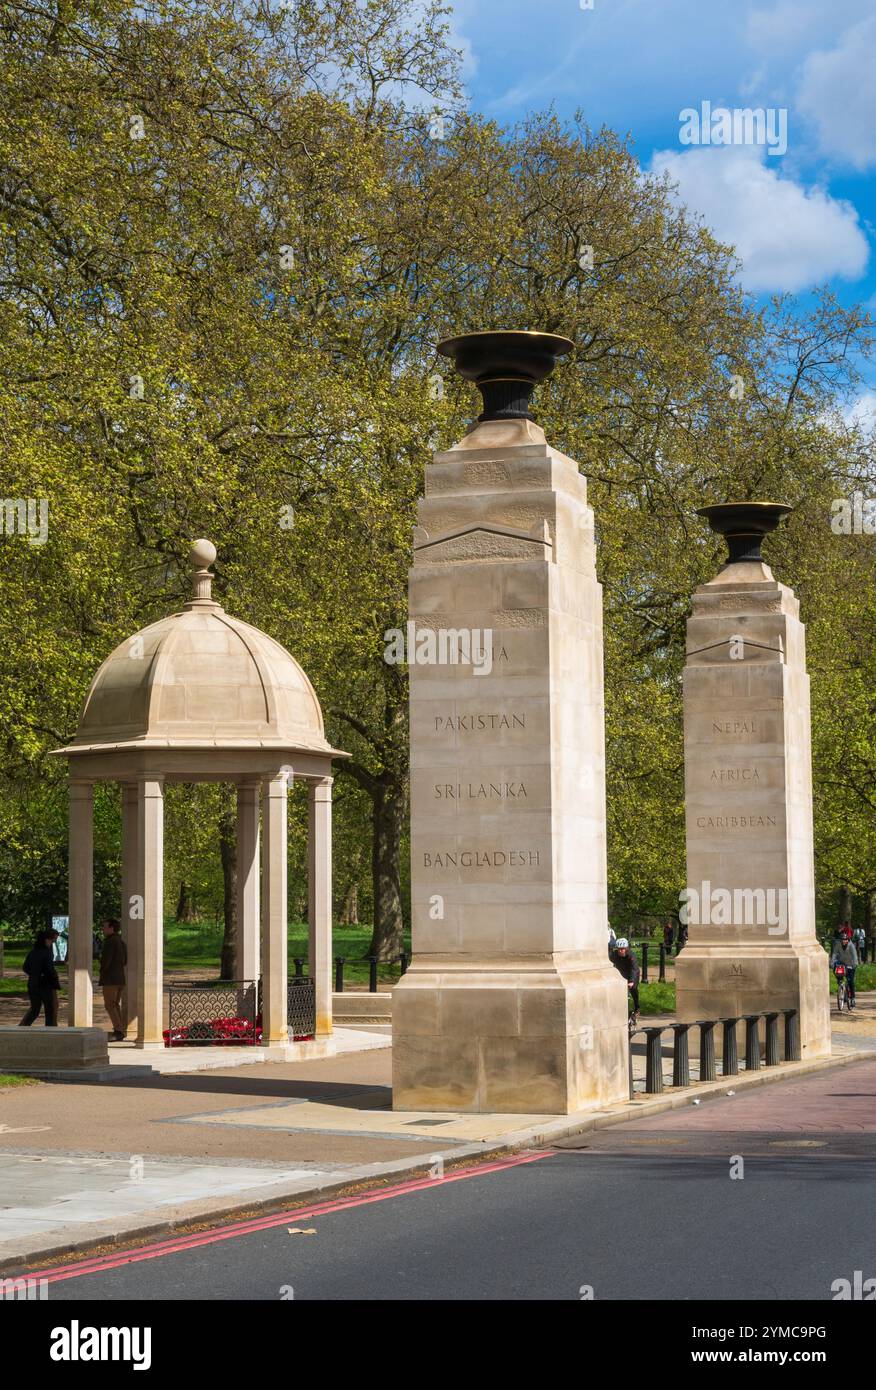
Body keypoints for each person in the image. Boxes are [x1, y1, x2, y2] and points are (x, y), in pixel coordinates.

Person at [18, 929, 61, 1027]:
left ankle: (23, 1027)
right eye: (53, 940)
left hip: (33, 984)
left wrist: (34, 974)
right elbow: (49, 969)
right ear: (47, 939)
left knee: (35, 1009)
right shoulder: (47, 952)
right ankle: (50, 1030)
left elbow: (25, 967)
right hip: (45, 985)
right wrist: (54, 979)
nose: (53, 943)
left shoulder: (33, 952)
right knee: (49, 1009)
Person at [99, 918, 127, 1041]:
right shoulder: (121, 941)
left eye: (105, 927)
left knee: (110, 1005)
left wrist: (102, 968)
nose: (103, 929)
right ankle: (121, 1029)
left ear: (112, 928)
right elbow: (125, 961)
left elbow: (106, 962)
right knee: (115, 1005)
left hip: (111, 980)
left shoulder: (110, 942)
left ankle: (118, 1031)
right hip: (120, 978)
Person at [610, 937, 640, 1023]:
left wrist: (631, 981)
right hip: (622, 974)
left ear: (626, 948)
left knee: (633, 989)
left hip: (632, 974)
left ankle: (637, 1008)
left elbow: (634, 969)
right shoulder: (614, 955)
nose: (620, 951)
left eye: (622, 949)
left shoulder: (631, 955)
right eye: (619, 949)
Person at [830, 924, 859, 1008]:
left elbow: (855, 956)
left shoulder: (851, 946)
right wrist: (832, 963)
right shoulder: (838, 945)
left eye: (845, 940)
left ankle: (852, 998)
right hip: (842, 963)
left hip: (850, 964)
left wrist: (855, 964)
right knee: (836, 969)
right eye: (842, 940)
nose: (844, 941)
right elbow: (834, 954)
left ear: (848, 940)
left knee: (850, 982)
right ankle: (840, 985)